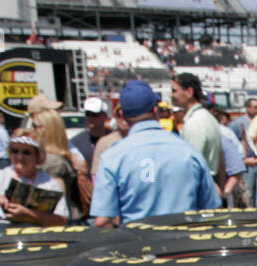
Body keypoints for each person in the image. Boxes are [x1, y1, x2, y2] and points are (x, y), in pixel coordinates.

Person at [90, 80, 219, 226]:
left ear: (122, 114)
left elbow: (102, 220)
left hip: (137, 244)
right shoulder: (188, 151)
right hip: (184, 244)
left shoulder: (112, 157)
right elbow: (211, 209)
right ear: (155, 110)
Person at [0, 129, 68, 226]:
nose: (20, 157)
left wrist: (28, 214)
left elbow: (61, 221)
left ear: (37, 155)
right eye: (15, 151)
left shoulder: (49, 183)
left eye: (26, 152)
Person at [32, 108, 89, 222]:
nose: (32, 130)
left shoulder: (51, 162)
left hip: (59, 221)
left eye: (35, 126)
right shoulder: (63, 155)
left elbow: (53, 200)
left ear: (47, 129)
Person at [172, 73, 222, 185]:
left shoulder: (195, 122)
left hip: (200, 185)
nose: (171, 94)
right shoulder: (206, 117)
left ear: (189, 92)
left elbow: (192, 166)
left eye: (174, 90)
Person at [70, 97, 111, 173]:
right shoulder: (76, 142)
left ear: (104, 116)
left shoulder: (115, 139)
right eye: (88, 114)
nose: (91, 118)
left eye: (95, 114)